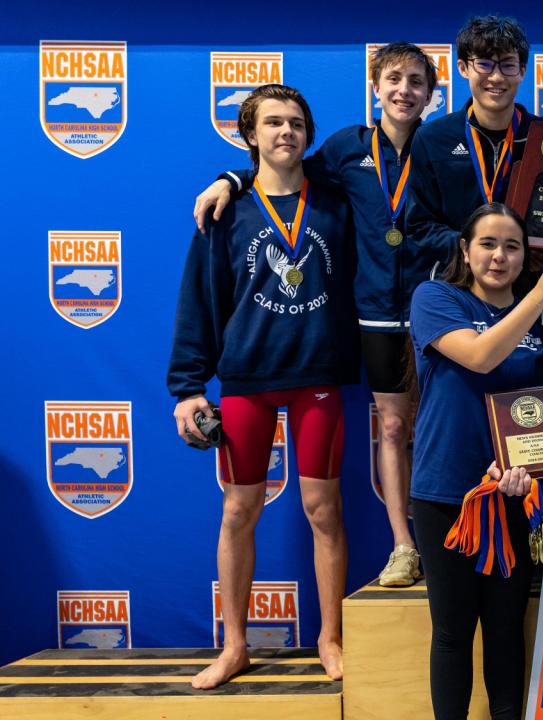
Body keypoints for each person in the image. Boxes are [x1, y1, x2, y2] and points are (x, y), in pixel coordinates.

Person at [191, 42, 438, 587]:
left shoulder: (444, 144)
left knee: (447, 427)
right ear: (375, 87)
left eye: (417, 81)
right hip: (373, 315)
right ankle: (404, 546)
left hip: (438, 308)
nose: (404, 90)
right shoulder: (348, 147)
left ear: (431, 93)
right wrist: (230, 179)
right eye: (393, 78)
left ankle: (451, 546)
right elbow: (281, 170)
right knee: (393, 427)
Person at [168, 84, 358, 687]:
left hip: (318, 377)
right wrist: (187, 387)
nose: (286, 132)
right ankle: (235, 645)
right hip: (247, 379)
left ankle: (330, 637)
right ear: (249, 136)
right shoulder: (226, 211)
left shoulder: (335, 202)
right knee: (238, 509)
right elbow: (199, 303)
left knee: (323, 509)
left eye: (297, 123)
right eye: (273, 123)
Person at [409, 203, 543, 719]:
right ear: (465, 250)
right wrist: (541, 293)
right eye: (488, 243)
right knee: (453, 630)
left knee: (507, 629)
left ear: (526, 253)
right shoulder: (436, 298)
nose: (500, 256)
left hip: (518, 490)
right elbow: (482, 355)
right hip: (448, 492)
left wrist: (528, 462)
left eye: (512, 245)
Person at [405, 15, 539, 274]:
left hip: (527, 286)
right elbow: (419, 227)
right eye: (485, 64)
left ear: (522, 70)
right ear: (463, 68)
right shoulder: (432, 139)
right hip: (458, 283)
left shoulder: (542, 137)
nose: (497, 77)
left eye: (508, 65)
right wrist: (476, 249)